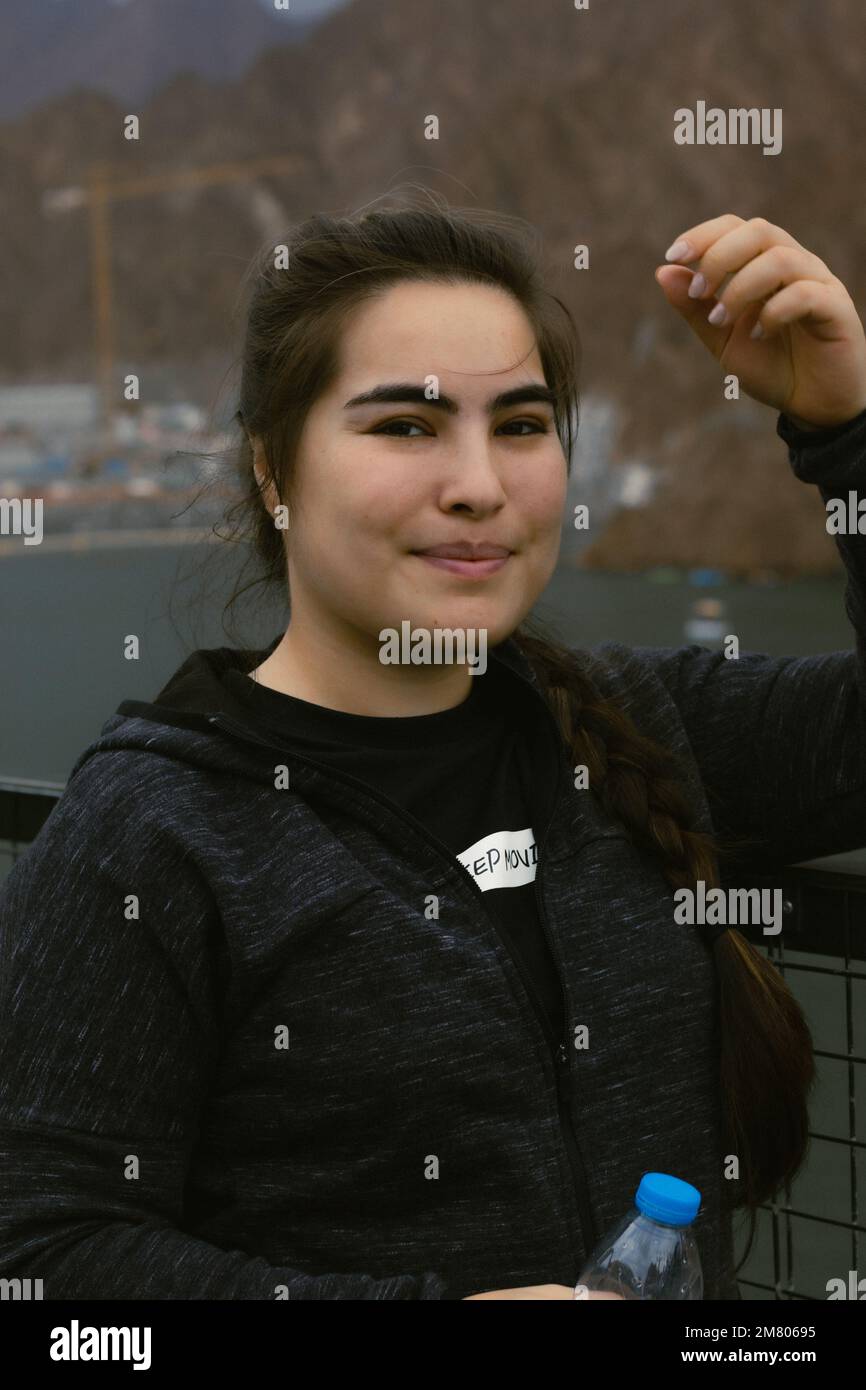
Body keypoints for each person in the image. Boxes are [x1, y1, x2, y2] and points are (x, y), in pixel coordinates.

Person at [2, 191, 866, 1301]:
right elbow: (42, 1260)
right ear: (272, 469)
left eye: (518, 424)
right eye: (403, 425)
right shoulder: (152, 835)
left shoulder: (631, 722)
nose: (479, 486)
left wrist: (845, 431)